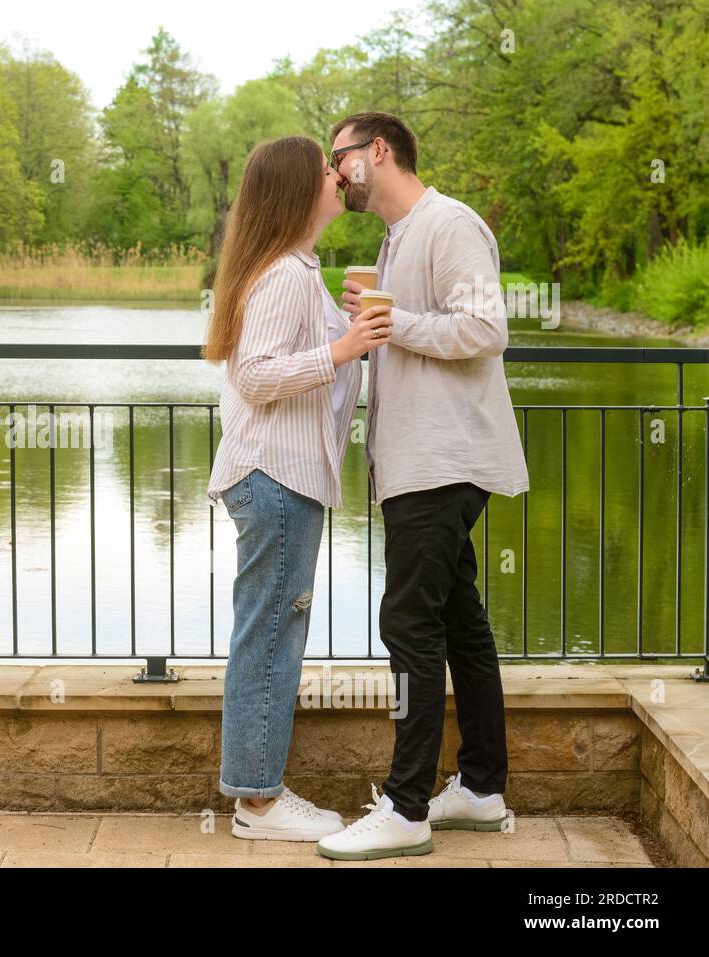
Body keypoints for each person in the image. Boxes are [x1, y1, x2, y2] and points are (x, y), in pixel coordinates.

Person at [316, 112, 529, 861]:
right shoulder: (396, 237)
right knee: (459, 621)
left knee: (407, 623)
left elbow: (485, 330)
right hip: (413, 463)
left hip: (445, 459)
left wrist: (392, 320)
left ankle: (406, 807)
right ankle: (481, 789)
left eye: (338, 156)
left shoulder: (449, 225)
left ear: (378, 152)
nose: (333, 170)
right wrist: (383, 323)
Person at [203, 135, 393, 841]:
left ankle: (257, 793)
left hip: (280, 479)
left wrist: (350, 332)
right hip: (275, 478)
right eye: (323, 169)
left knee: (272, 630)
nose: (336, 175)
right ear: (296, 188)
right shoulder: (284, 273)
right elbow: (256, 376)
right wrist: (342, 347)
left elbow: (311, 379)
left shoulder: (292, 271)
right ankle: (258, 801)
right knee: (271, 636)